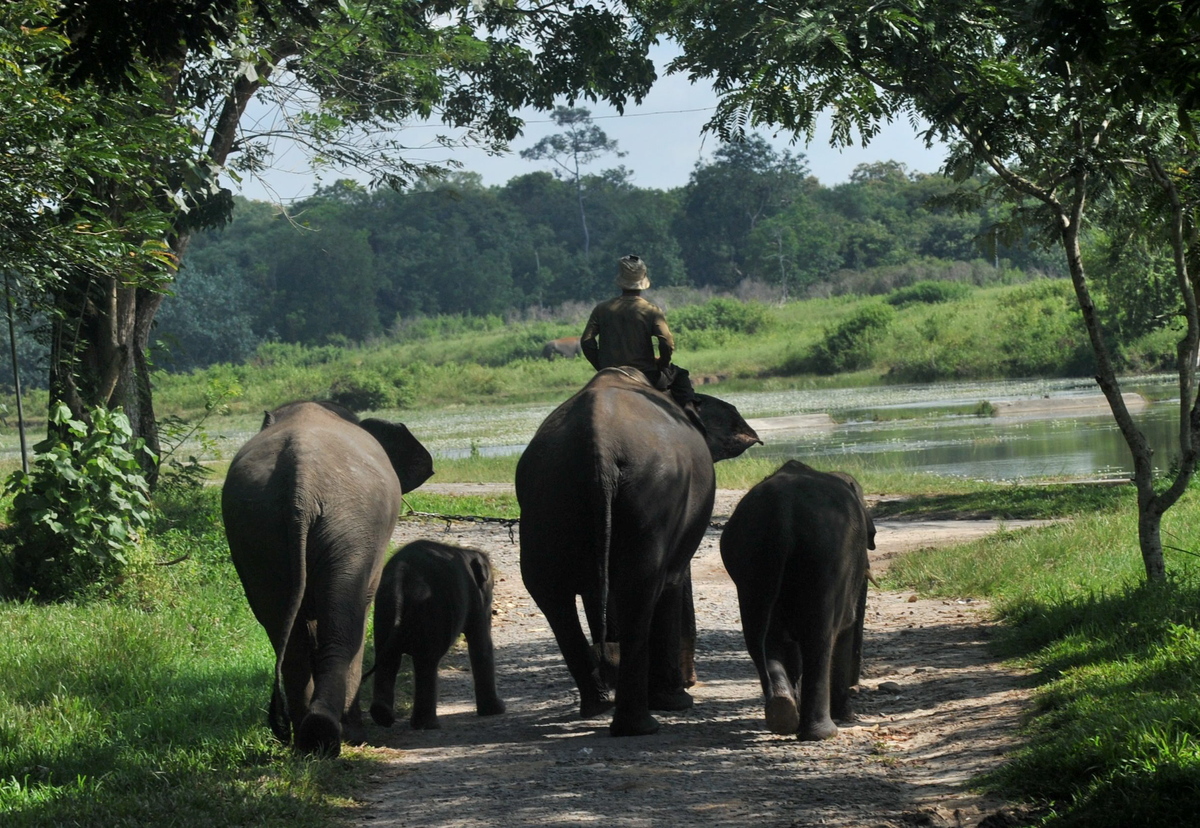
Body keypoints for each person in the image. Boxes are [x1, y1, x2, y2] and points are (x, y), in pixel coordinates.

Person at [580, 254, 699, 419]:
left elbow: (587, 342)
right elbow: (666, 343)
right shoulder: (651, 310)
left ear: (621, 280)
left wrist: (602, 367)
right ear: (642, 282)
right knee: (680, 375)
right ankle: (691, 415)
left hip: (609, 372)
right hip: (646, 373)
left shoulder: (601, 309)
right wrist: (662, 363)